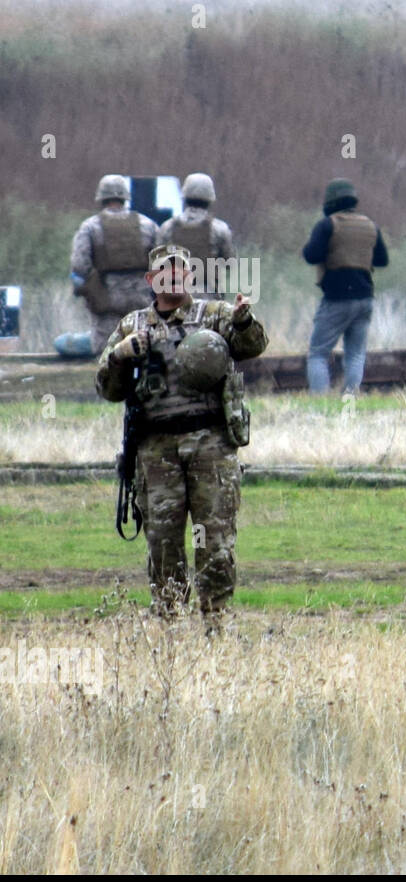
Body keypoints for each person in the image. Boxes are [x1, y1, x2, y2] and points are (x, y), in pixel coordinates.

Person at [95, 244, 268, 633]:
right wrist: (120, 356)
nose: (174, 278)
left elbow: (253, 347)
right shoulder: (132, 326)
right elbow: (107, 388)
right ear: (151, 279)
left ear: (190, 276)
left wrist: (243, 321)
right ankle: (170, 624)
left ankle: (217, 624)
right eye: (164, 272)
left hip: (210, 443)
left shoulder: (215, 315)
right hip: (157, 450)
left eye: (181, 271)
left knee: (216, 539)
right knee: (163, 542)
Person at [302, 178, 388, 393]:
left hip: (336, 298)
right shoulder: (370, 225)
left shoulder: (328, 225)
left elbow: (311, 255)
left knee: (318, 353)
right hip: (365, 298)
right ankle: (350, 399)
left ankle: (321, 402)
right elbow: (381, 260)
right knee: (356, 353)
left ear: (330, 202)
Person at [70, 174, 158, 352]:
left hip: (107, 299)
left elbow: (79, 265)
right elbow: (161, 261)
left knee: (108, 355)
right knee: (145, 348)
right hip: (141, 298)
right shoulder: (147, 225)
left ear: (101, 197)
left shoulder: (90, 226)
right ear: (125, 197)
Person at [156, 173, 237, 301]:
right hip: (208, 298)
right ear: (210, 198)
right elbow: (230, 263)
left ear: (185, 197)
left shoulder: (167, 228)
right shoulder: (220, 229)